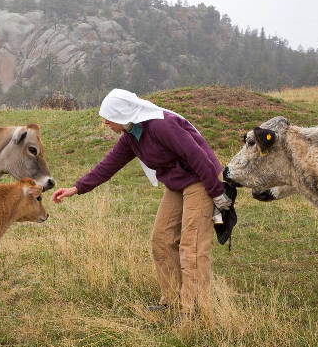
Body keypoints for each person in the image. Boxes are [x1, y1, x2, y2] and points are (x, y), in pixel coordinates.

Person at [52, 89, 231, 319]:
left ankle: (194, 310)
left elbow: (198, 156)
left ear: (122, 114)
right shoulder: (131, 137)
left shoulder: (161, 126)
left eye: (108, 116)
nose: (105, 121)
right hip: (177, 183)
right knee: (161, 239)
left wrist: (217, 194)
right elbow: (108, 166)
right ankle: (173, 301)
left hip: (201, 179)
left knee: (192, 245)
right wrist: (76, 188)